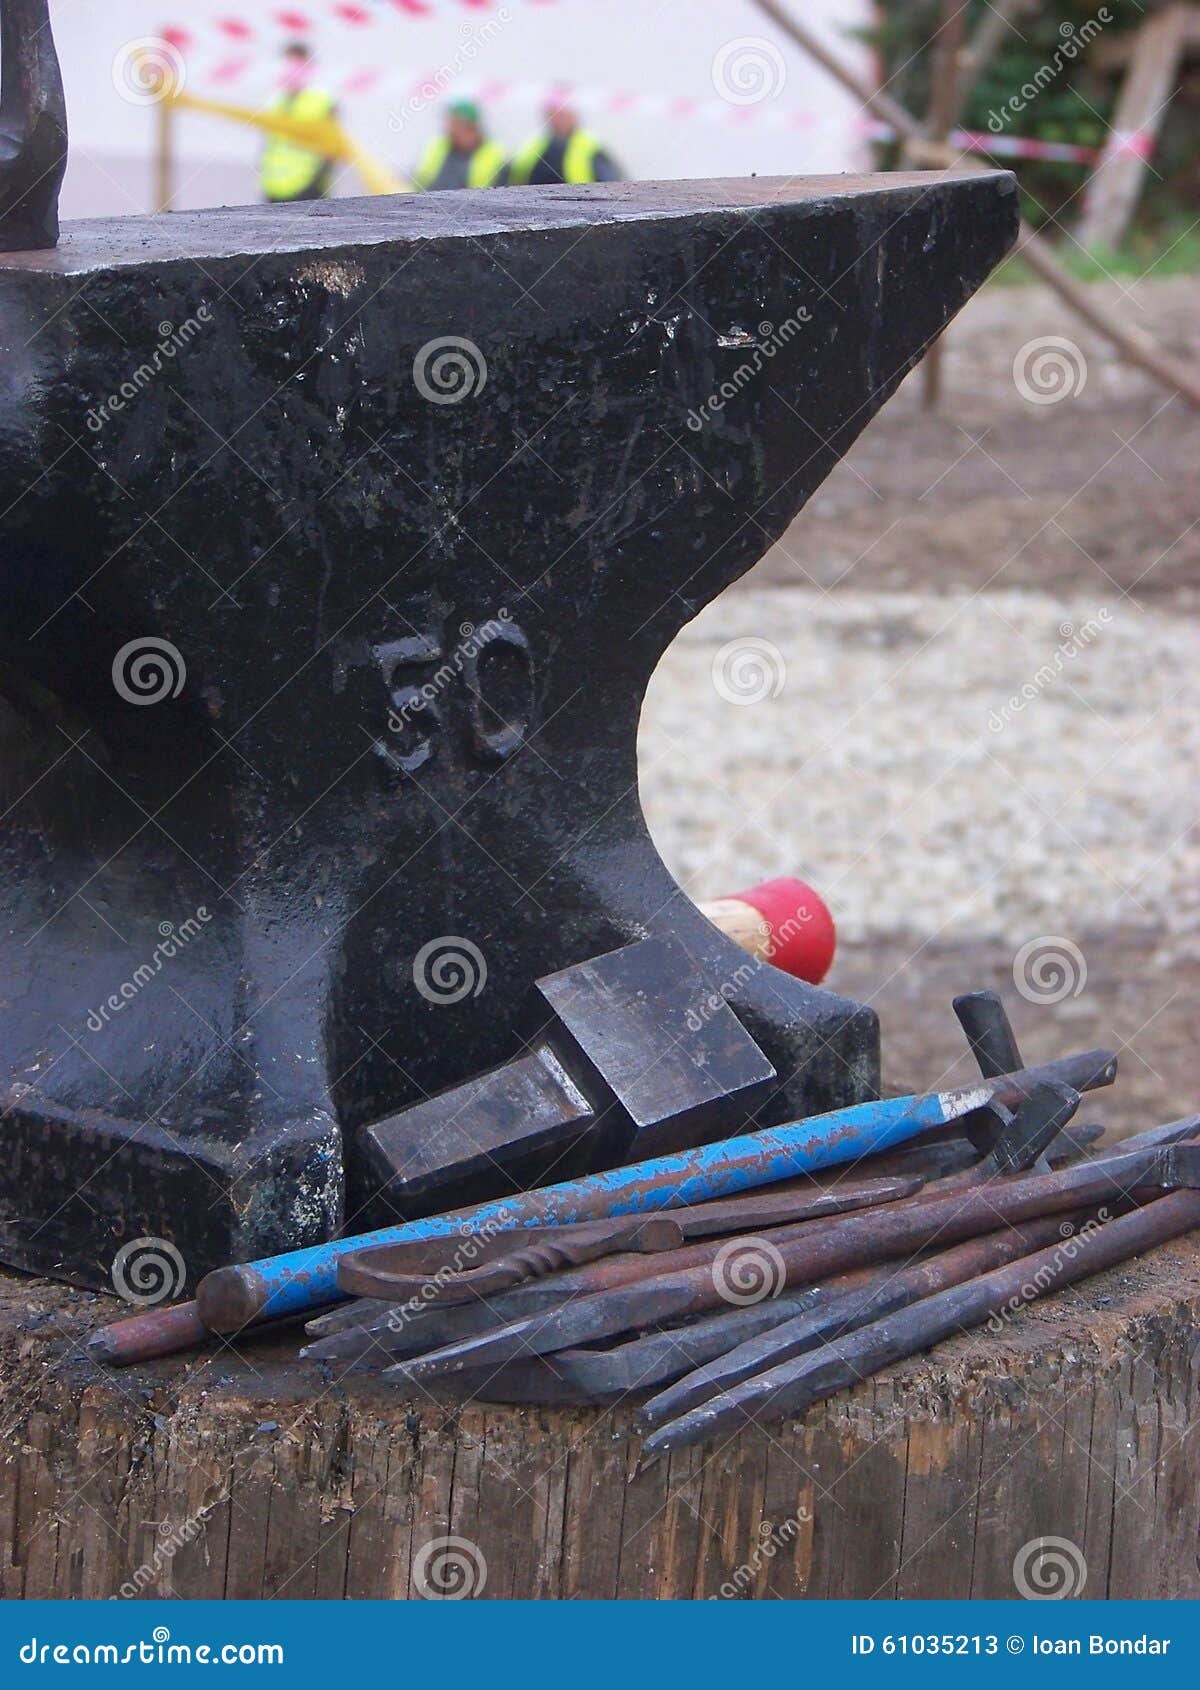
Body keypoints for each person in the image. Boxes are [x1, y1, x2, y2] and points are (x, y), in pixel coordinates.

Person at [259, 42, 338, 204]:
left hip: (309, 186)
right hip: (274, 186)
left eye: (297, 64)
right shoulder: (276, 100)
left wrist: (321, 180)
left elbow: (333, 146)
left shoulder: (322, 100)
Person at [507, 96, 622, 187]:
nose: (557, 120)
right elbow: (511, 178)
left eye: (562, 114)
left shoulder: (590, 147)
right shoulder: (533, 146)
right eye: (552, 114)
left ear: (574, 116)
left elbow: (611, 185)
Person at [412, 100, 506, 191]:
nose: (449, 128)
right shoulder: (439, 146)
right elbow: (420, 180)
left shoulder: (493, 154)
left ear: (470, 126)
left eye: (455, 123)